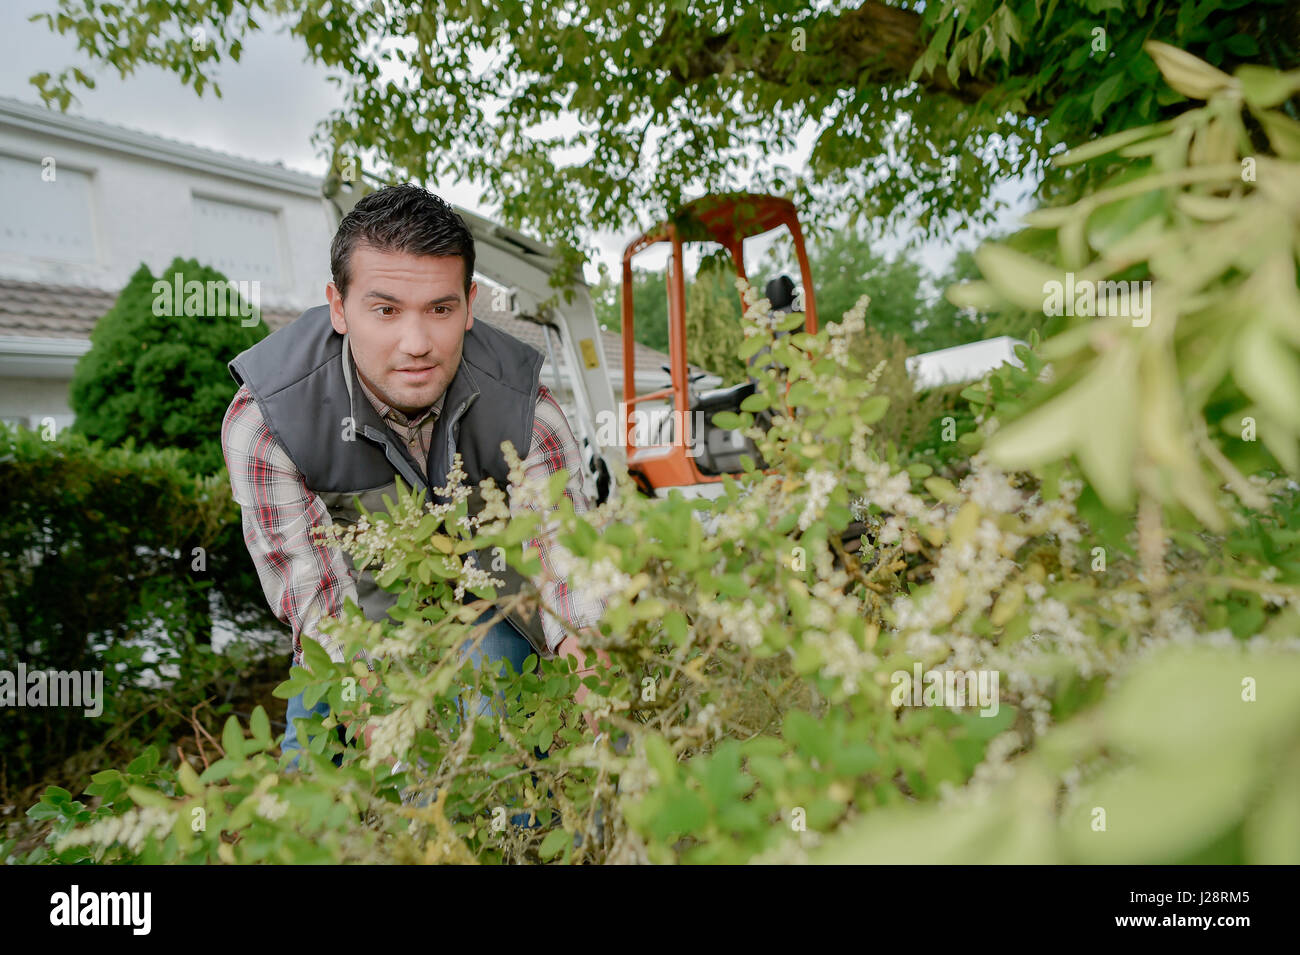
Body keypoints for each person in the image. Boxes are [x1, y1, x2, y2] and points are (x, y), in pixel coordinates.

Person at [220, 184, 610, 783]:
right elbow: (314, 597)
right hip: (357, 619)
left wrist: (584, 658)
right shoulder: (267, 421)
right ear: (338, 306)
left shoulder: (525, 403)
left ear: (470, 304)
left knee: (497, 768)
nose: (417, 344)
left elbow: (562, 550)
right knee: (316, 795)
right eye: (385, 310)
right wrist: (378, 716)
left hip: (490, 605)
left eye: (440, 309)